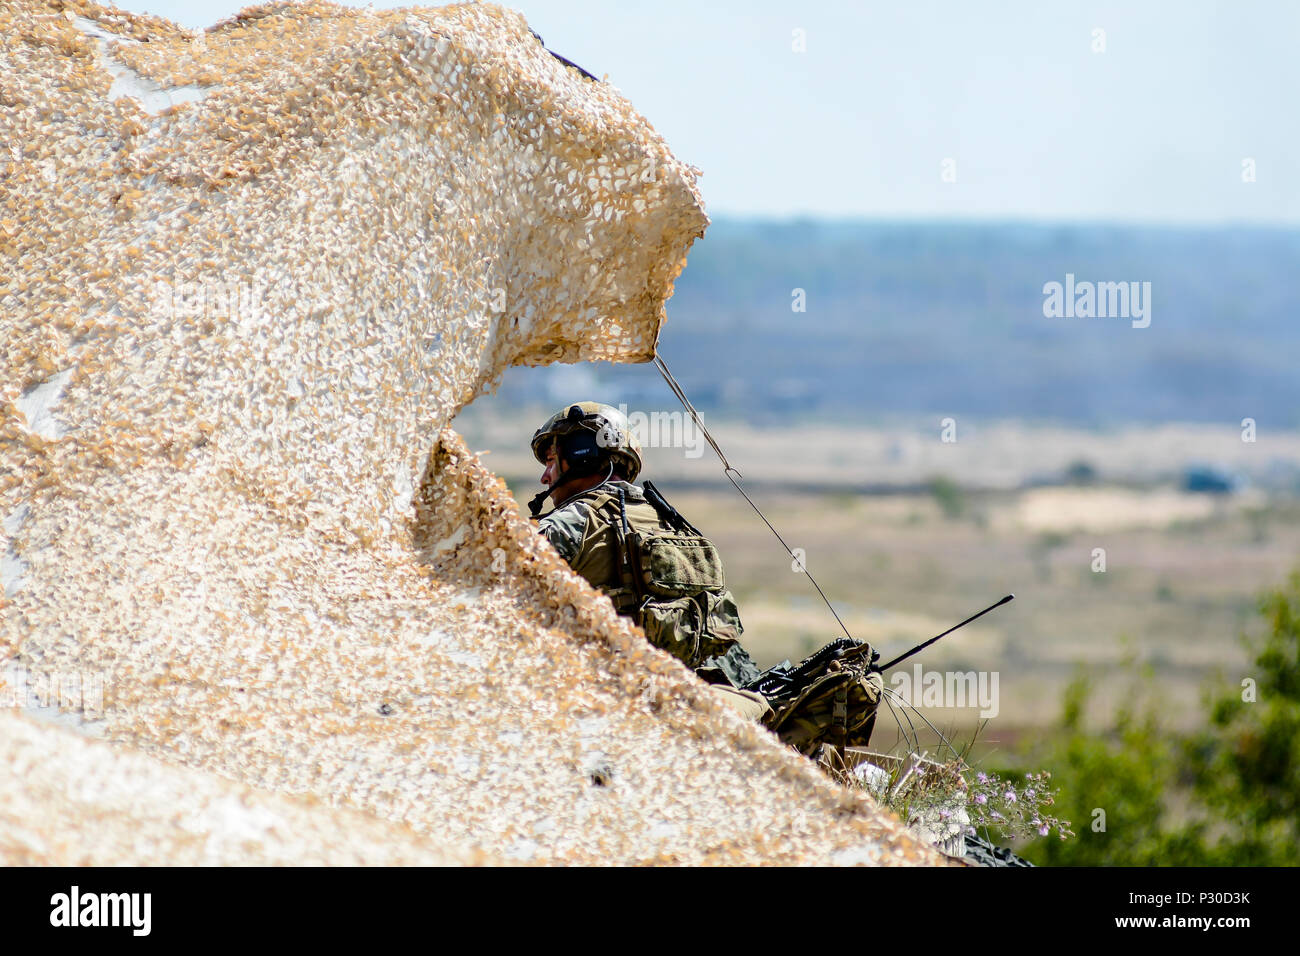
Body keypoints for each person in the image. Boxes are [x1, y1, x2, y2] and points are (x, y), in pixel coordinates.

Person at [527, 402, 772, 722]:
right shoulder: (672, 523)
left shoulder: (568, 523)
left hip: (596, 704)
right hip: (676, 699)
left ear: (580, 454)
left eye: (550, 461)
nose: (545, 477)